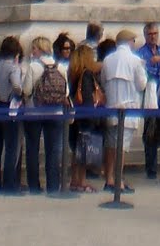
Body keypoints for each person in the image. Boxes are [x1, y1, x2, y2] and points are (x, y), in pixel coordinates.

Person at [100, 28, 147, 192]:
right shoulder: (136, 60)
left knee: (111, 145)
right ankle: (118, 181)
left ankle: (110, 178)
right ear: (130, 42)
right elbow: (142, 84)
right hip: (129, 108)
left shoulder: (107, 59)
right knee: (122, 148)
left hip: (111, 107)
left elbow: (103, 82)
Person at [21, 35, 67, 196]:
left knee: (32, 149)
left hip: (34, 111)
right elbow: (66, 92)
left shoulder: (33, 67)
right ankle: (53, 185)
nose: (32, 51)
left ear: (39, 49)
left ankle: (34, 185)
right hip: (55, 112)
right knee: (53, 151)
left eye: (33, 48)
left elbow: (26, 90)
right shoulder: (60, 67)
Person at [136, 21, 160, 181]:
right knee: (150, 135)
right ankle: (151, 169)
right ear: (145, 35)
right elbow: (145, 72)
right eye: (150, 34)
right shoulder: (140, 53)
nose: (153, 37)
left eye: (155, 34)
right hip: (150, 99)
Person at [0, 37, 24, 194]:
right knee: (10, 148)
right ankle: (9, 184)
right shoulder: (13, 67)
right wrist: (20, 93)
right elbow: (16, 85)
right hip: (9, 106)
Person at [68, 41, 103, 193]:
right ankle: (81, 181)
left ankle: (74, 181)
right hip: (85, 118)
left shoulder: (73, 74)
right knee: (83, 152)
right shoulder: (87, 74)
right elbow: (88, 98)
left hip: (75, 118)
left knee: (77, 151)